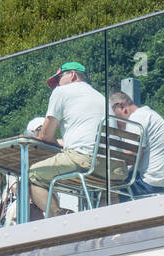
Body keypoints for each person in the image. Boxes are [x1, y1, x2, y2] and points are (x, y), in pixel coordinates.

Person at [28, 62, 108, 218]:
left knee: (34, 174)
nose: (56, 85)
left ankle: (60, 219)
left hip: (85, 161)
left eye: (58, 78)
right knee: (105, 189)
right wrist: (61, 143)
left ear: (72, 75)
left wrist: (55, 141)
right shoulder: (101, 97)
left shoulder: (62, 92)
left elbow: (44, 135)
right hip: (114, 169)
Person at [109, 91, 164, 196]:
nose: (115, 122)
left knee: (104, 189)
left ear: (122, 106)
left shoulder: (136, 119)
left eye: (113, 115)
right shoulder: (149, 114)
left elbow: (132, 157)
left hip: (148, 185)